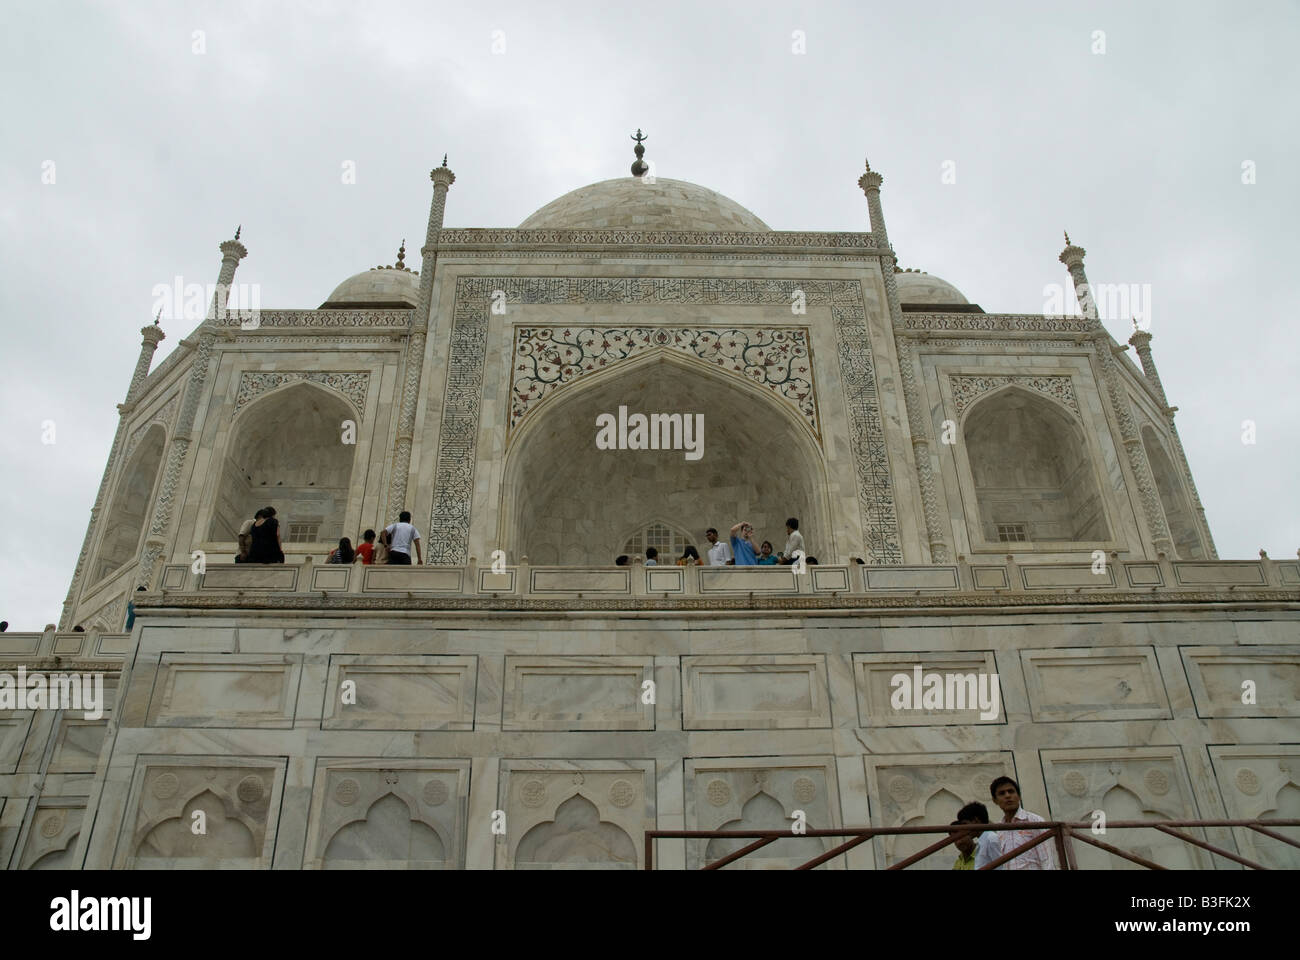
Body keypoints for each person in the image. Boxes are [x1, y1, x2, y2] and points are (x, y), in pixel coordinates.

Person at [978, 777, 1057, 870]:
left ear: (1019, 796)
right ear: (995, 800)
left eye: (1011, 791)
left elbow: (1047, 859)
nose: (1007, 796)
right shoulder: (999, 829)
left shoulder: (1034, 821)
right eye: (1002, 793)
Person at [952, 802, 999, 870]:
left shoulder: (991, 839)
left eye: (965, 824)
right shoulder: (982, 841)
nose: (964, 829)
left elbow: (1001, 866)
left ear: (976, 821)